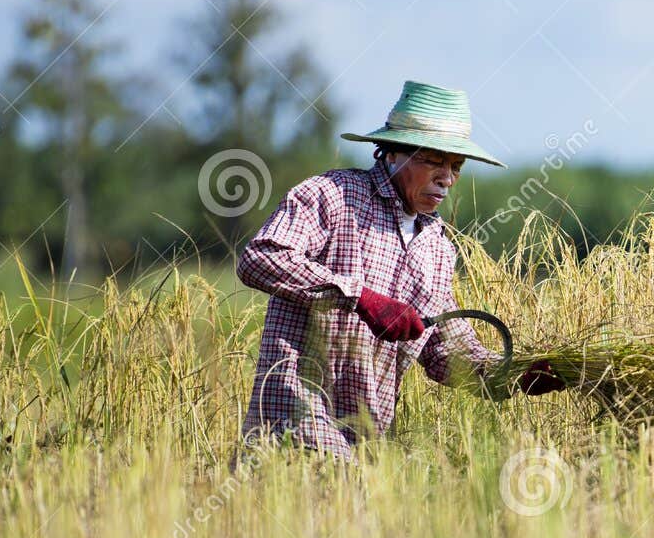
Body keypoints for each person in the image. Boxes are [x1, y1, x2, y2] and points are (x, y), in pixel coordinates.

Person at [237, 80, 564, 457]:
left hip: (364, 443)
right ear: (392, 153)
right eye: (432, 161)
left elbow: (448, 353)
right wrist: (360, 298)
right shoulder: (330, 196)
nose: (447, 178)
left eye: (456, 166)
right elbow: (260, 258)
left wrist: (517, 375)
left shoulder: (437, 248)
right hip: (293, 424)